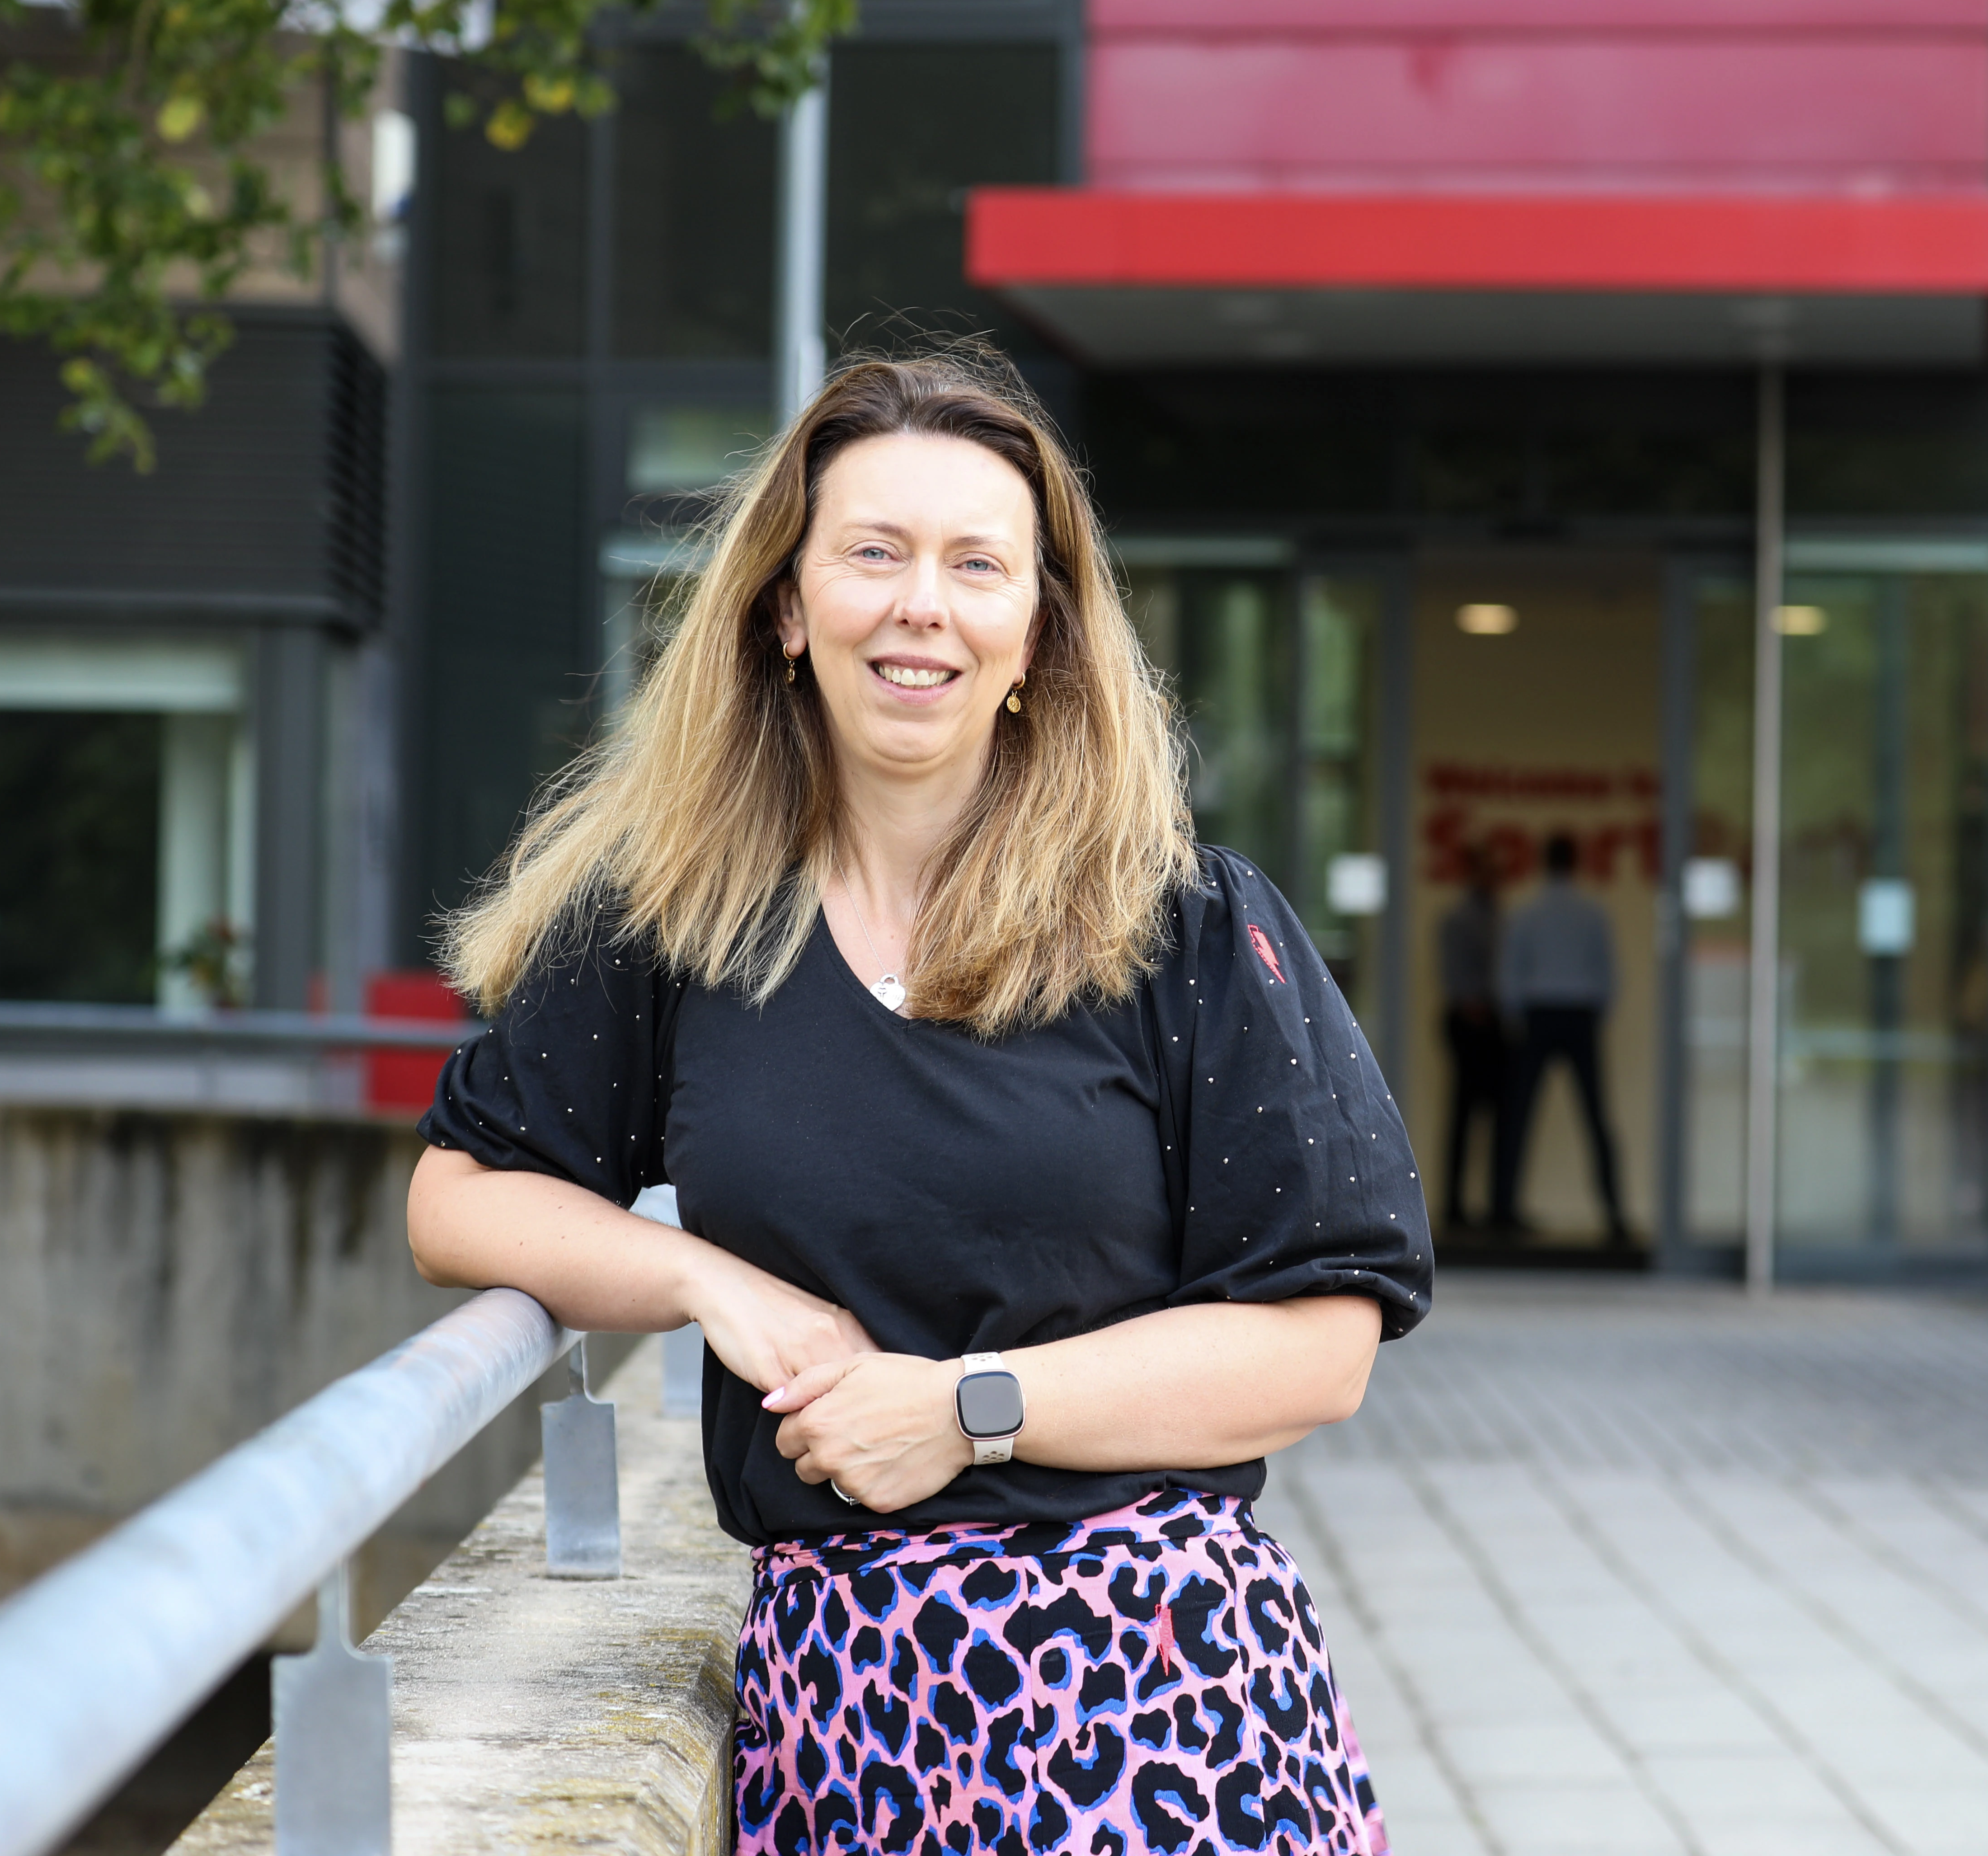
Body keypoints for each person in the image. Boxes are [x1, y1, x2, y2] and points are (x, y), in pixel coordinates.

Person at [405, 348, 1428, 1856]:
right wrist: (709, 1283)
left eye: (977, 565)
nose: (920, 606)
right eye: (873, 553)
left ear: (1038, 633)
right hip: (851, 1710)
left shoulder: (1186, 926)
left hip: (1169, 1701)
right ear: (782, 606)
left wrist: (969, 1412)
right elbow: (458, 1197)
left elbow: (1322, 1345)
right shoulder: (673, 921)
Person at [1493, 831, 1629, 1247]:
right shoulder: (1591, 912)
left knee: (1519, 1117)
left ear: (1543, 861)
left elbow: (1509, 970)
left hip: (1538, 1015)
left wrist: (1515, 1016)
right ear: (1576, 862)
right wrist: (1595, 1012)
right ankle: (1614, 1213)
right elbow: (1607, 972)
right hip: (1580, 1016)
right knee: (1595, 1116)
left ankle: (1503, 1209)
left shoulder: (1527, 911)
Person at [1435, 843, 1508, 1228]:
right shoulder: (1463, 918)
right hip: (1471, 1022)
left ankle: (1496, 1206)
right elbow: (1457, 976)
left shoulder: (1498, 915)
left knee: (1494, 1118)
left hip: (1492, 1022)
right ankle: (1455, 1206)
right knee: (1464, 1115)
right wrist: (1474, 1006)